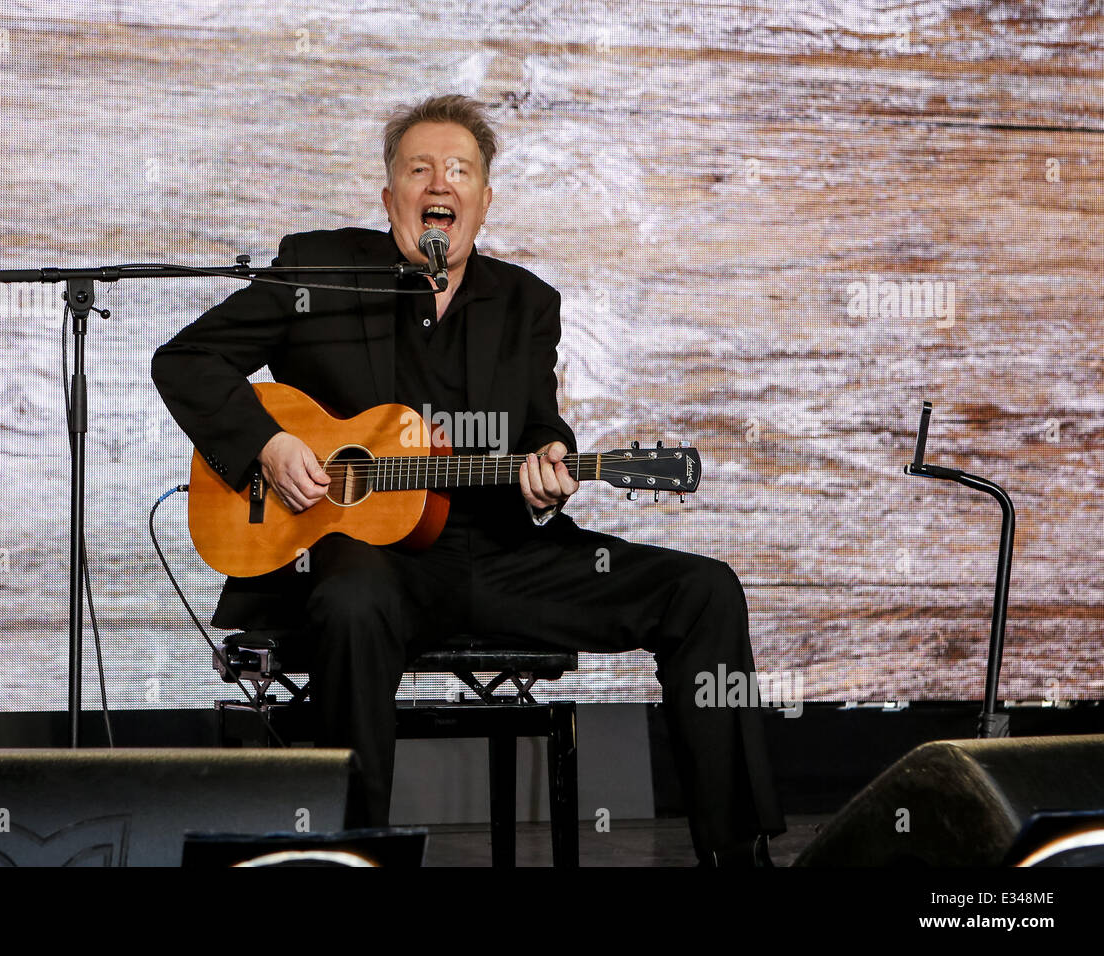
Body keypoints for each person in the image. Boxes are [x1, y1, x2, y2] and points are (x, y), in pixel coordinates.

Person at [152, 94, 785, 865]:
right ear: (391, 197)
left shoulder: (525, 303)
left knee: (705, 589)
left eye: (460, 171)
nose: (439, 184)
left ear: (485, 200)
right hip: (368, 559)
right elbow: (185, 359)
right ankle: (351, 857)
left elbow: (539, 429)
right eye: (420, 169)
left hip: (501, 556)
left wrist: (551, 470)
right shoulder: (321, 270)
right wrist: (270, 447)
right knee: (353, 601)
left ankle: (736, 853)